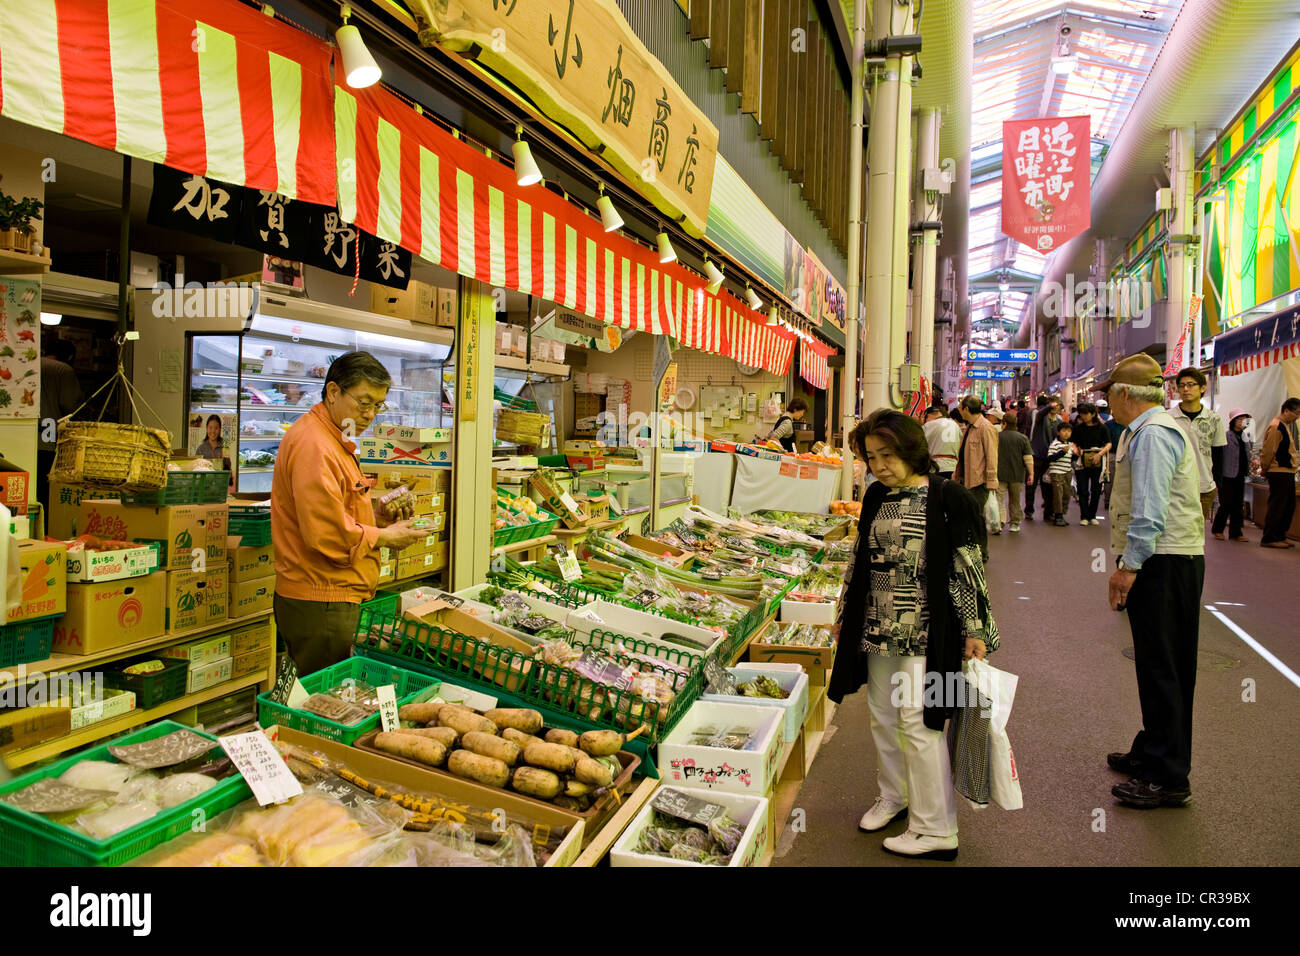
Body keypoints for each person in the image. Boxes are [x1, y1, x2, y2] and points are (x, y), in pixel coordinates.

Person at [828, 410, 999, 859]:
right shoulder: (876, 496)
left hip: (929, 632)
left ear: (910, 450)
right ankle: (895, 796)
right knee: (882, 717)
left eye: (887, 454)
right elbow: (859, 558)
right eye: (871, 457)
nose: (879, 465)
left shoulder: (950, 497)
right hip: (879, 626)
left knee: (920, 724)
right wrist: (846, 610)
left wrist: (976, 629)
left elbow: (970, 567)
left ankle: (936, 828)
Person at [271, 352, 427, 674]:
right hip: (320, 597)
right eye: (363, 402)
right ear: (332, 392)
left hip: (330, 594)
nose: (370, 414)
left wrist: (373, 515)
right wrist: (384, 536)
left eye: (378, 405)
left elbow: (335, 507)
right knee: (325, 707)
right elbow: (325, 534)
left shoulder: (332, 438)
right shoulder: (316, 445)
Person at [1099, 352, 1205, 809]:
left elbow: (1150, 509)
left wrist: (1128, 566)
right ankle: (1153, 748)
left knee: (1164, 665)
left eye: (1109, 396)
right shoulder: (1148, 431)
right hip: (1166, 559)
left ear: (1125, 394)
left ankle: (1168, 776)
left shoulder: (1154, 434)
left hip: (1164, 561)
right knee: (1157, 661)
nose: (1108, 405)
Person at [1168, 367, 1227, 521]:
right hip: (1174, 486)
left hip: (1204, 487)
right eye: (1181, 385)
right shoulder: (1167, 417)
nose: (1185, 389)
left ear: (1202, 388)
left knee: (1197, 535)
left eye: (1191, 384)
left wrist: (1216, 484)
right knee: (1174, 533)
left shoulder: (1214, 419)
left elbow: (1218, 453)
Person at [38, 338, 83, 511]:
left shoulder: (29, 364)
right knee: (46, 490)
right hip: (49, 440)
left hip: (26, 436)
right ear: (70, 356)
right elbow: (71, 405)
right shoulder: (63, 370)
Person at [954, 396, 999, 561]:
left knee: (976, 517)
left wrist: (991, 480)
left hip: (979, 482)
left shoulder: (985, 428)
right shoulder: (969, 428)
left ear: (966, 409)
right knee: (969, 516)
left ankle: (981, 551)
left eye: (960, 408)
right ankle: (972, 549)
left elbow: (992, 455)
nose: (959, 411)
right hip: (966, 481)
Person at [1259, 397, 1300, 548]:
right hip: (1279, 471)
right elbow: (1268, 451)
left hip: (1287, 472)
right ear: (1286, 410)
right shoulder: (1276, 426)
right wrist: (1264, 468)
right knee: (1278, 505)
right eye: (1296, 413)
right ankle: (1269, 538)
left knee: (1288, 506)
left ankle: (1280, 534)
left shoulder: (1285, 425)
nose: (1297, 417)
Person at [1211, 409, 1253, 542]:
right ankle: (1218, 529)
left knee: (1237, 504)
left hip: (1240, 474)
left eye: (1245, 420)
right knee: (1226, 503)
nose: (1243, 422)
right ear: (1233, 421)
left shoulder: (1245, 437)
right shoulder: (1226, 436)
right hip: (1227, 475)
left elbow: (1248, 453)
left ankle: (1236, 532)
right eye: (1240, 419)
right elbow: (1219, 456)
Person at [1070, 402, 1112, 526]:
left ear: (1093, 414)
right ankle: (1084, 516)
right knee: (1083, 489)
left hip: (1097, 460)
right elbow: (1073, 442)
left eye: (1086, 414)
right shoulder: (1078, 428)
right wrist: (1076, 450)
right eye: (1081, 414)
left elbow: (1108, 443)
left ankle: (1092, 515)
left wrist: (1099, 454)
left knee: (1096, 489)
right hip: (1082, 461)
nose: (1083, 416)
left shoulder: (1102, 428)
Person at [1026, 396, 1062, 521]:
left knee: (1048, 486)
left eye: (1057, 406)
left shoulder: (1059, 420)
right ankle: (1029, 509)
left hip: (1051, 457)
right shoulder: (1041, 417)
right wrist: (1048, 407)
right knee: (1032, 484)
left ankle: (1048, 512)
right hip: (1037, 454)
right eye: (1053, 406)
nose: (1055, 408)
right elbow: (1041, 413)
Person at [997, 413, 1033, 533]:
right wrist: (1031, 473)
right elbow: (1028, 457)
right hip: (1017, 474)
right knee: (1015, 500)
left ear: (1005, 423)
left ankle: (999, 522)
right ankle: (1015, 523)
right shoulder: (1022, 438)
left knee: (999, 499)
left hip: (999, 473)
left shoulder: (997, 437)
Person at [1045, 421, 1077, 526]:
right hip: (1056, 472)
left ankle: (1061, 514)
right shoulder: (1055, 444)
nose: (1066, 433)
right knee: (1058, 494)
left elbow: (1072, 459)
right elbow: (1050, 458)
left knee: (1066, 494)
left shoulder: (1070, 444)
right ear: (1059, 432)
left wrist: (1076, 454)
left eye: (1069, 431)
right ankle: (1058, 516)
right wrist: (1062, 452)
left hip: (1067, 472)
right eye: (1064, 431)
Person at [922, 405, 961, 478]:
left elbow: (920, 444)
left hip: (937, 467)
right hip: (953, 467)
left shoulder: (929, 425)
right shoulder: (955, 425)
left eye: (925, 418)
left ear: (929, 416)